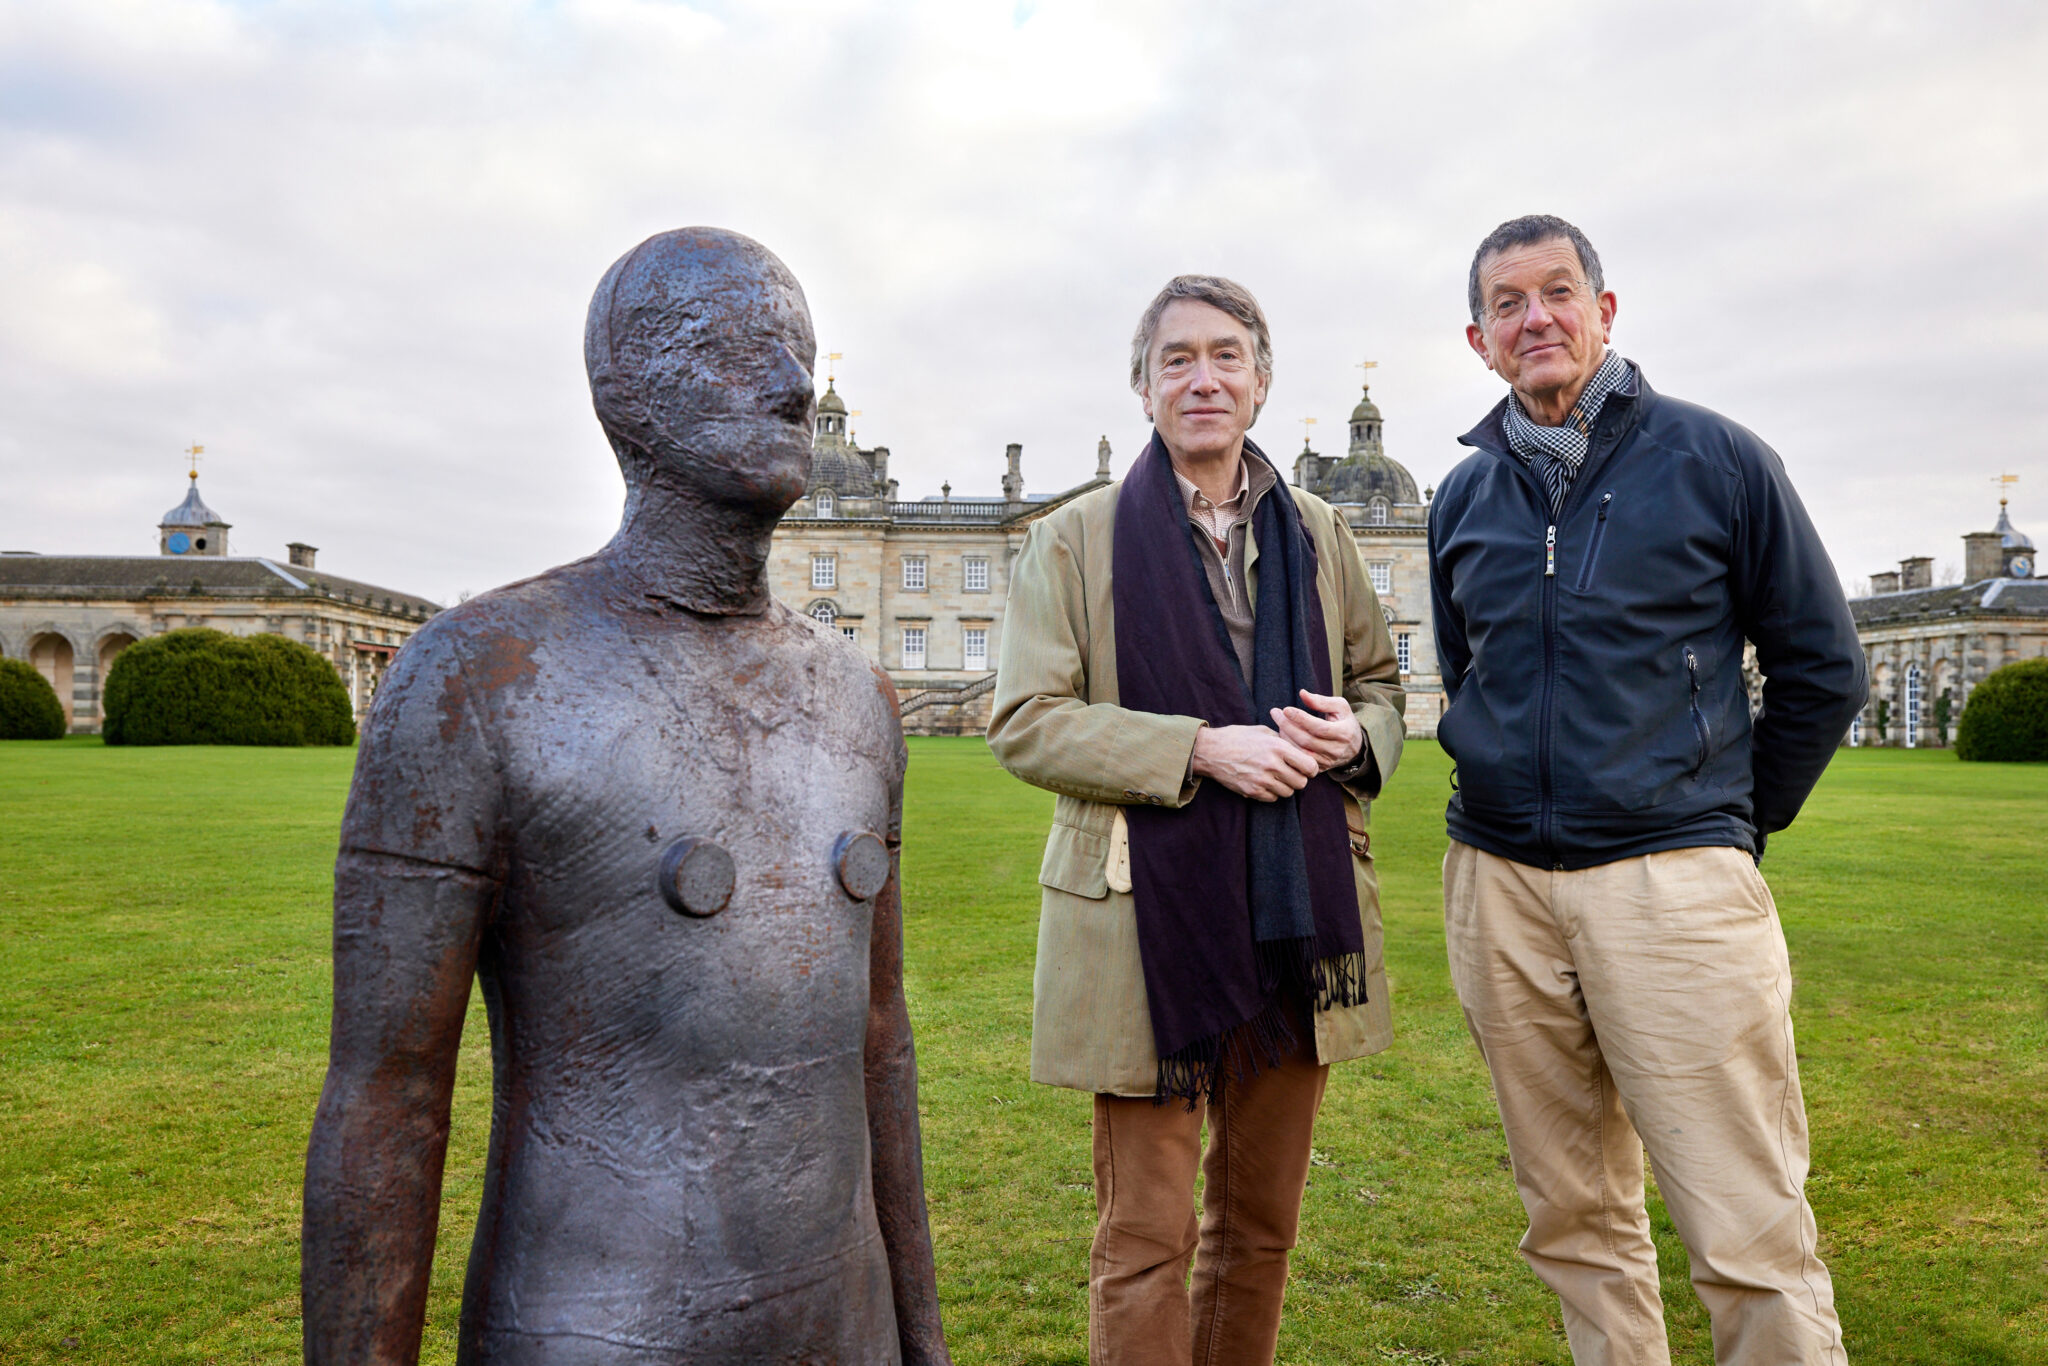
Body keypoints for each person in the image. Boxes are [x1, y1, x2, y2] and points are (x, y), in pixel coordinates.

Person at [301, 228, 950, 1365]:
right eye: (740, 347)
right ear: (626, 388)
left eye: (797, 351)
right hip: (596, 1328)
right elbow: (386, 1101)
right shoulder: (480, 676)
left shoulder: (854, 700)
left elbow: (878, 1048)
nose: (795, 383)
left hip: (841, 1330)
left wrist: (923, 1342)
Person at [1430, 214, 1866, 1364]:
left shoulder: (1715, 458)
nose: (1535, 318)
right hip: (1498, 885)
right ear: (1477, 340)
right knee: (1571, 1218)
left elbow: (1823, 669)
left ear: (1603, 311)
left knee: (1744, 1222)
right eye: (1507, 304)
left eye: (1557, 292)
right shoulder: (1461, 498)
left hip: (1671, 883)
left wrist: (1717, 818)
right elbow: (1463, 671)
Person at [987, 275, 1405, 1366]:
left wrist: (1352, 742)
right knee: (1144, 1236)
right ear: (1142, 388)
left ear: (1260, 384)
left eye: (1226, 356)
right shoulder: (1074, 539)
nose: (1202, 377)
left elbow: (1378, 689)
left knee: (1258, 1230)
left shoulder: (1320, 531)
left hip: (1292, 911)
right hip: (1144, 919)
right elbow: (1025, 720)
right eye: (1176, 359)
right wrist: (1195, 748)